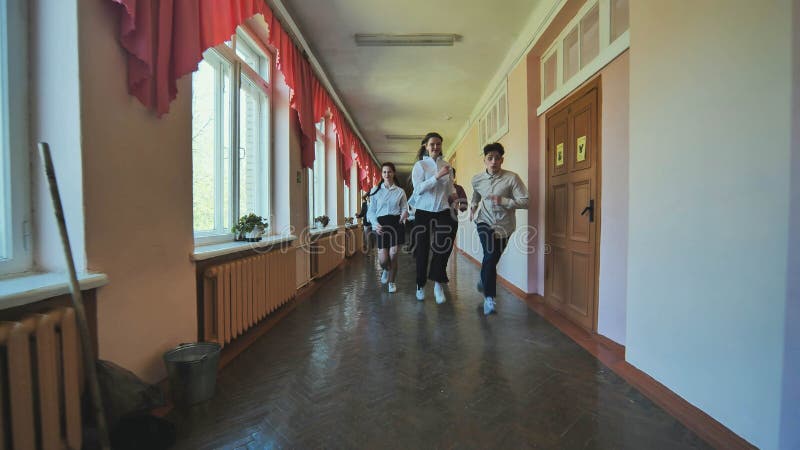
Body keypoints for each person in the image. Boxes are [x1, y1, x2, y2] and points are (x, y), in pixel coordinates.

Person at [470, 142, 529, 315]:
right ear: (485, 160)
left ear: (502, 160)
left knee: (492, 259)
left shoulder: (512, 178)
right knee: (490, 254)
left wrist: (503, 201)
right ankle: (490, 298)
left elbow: (526, 201)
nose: (493, 161)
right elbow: (476, 195)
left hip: (505, 226)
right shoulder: (477, 179)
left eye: (497, 158)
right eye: (490, 158)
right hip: (484, 222)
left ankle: (483, 279)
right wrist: (473, 206)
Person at [410, 132, 456, 303]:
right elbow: (418, 190)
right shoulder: (420, 166)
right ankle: (420, 285)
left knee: (443, 246)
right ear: (426, 146)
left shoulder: (447, 165)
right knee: (422, 249)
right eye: (432, 144)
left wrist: (456, 198)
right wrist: (436, 177)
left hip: (443, 210)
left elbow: (450, 188)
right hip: (423, 211)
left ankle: (438, 283)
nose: (436, 147)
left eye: (438, 144)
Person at [367, 162, 408, 293]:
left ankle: (392, 282)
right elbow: (371, 211)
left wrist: (404, 214)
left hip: (396, 223)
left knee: (394, 254)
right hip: (381, 225)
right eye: (384, 172)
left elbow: (404, 208)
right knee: (384, 259)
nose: (387, 174)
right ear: (381, 174)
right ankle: (385, 269)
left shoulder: (400, 191)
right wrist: (375, 223)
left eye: (389, 171)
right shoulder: (375, 191)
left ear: (393, 173)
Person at [444, 168, 469, 268]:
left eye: (451, 175)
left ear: (454, 177)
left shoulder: (458, 188)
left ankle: (443, 269)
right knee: (439, 246)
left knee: (448, 246)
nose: (449, 177)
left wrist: (456, 203)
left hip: (452, 219)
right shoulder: (439, 188)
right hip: (437, 219)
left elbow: (464, 206)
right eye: (447, 175)